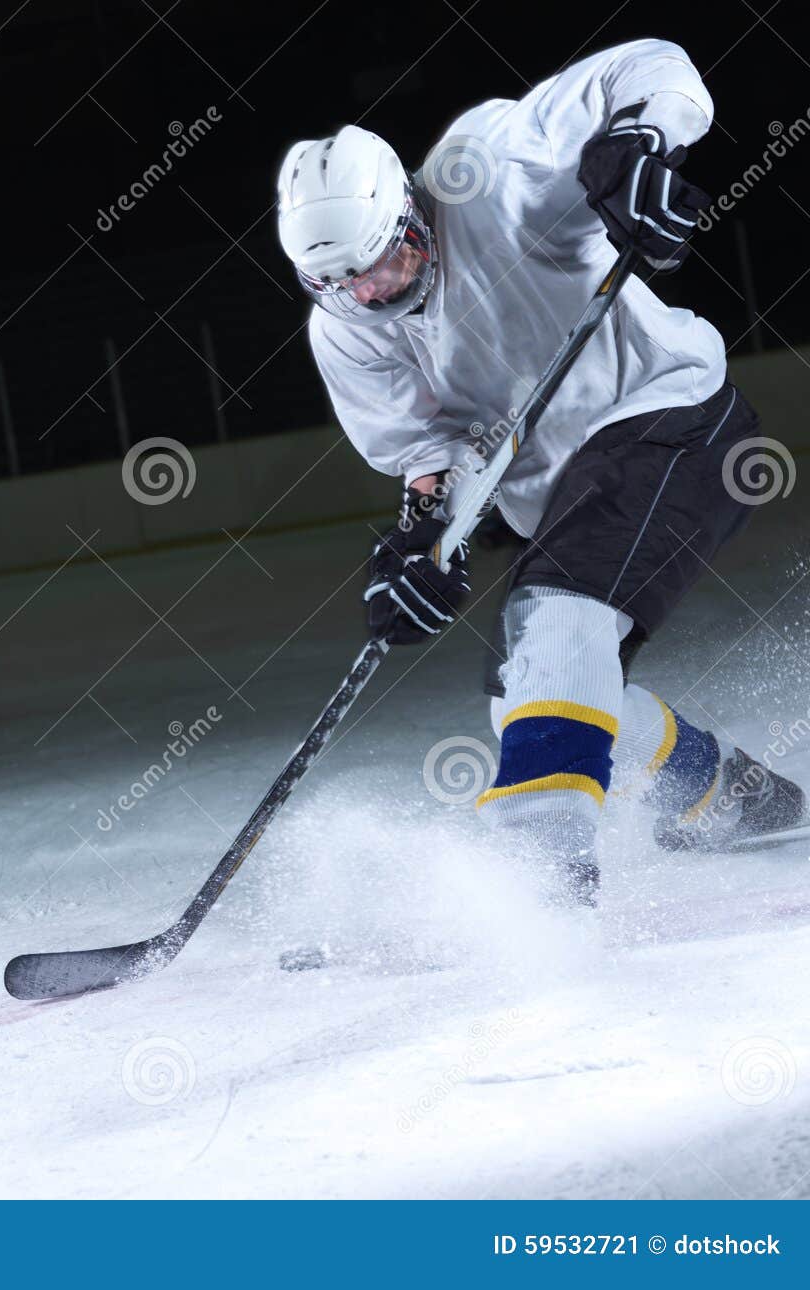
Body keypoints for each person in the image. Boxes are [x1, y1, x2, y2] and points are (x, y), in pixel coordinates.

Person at [274, 38, 804, 905]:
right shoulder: (347, 327)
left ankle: (542, 873)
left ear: (409, 211)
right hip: (568, 489)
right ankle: (727, 794)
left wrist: (633, 148)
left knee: (557, 616)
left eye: (376, 263)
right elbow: (428, 448)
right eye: (337, 282)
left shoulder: (488, 172)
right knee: (522, 696)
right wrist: (420, 544)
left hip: (672, 419)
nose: (366, 294)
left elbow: (650, 68)